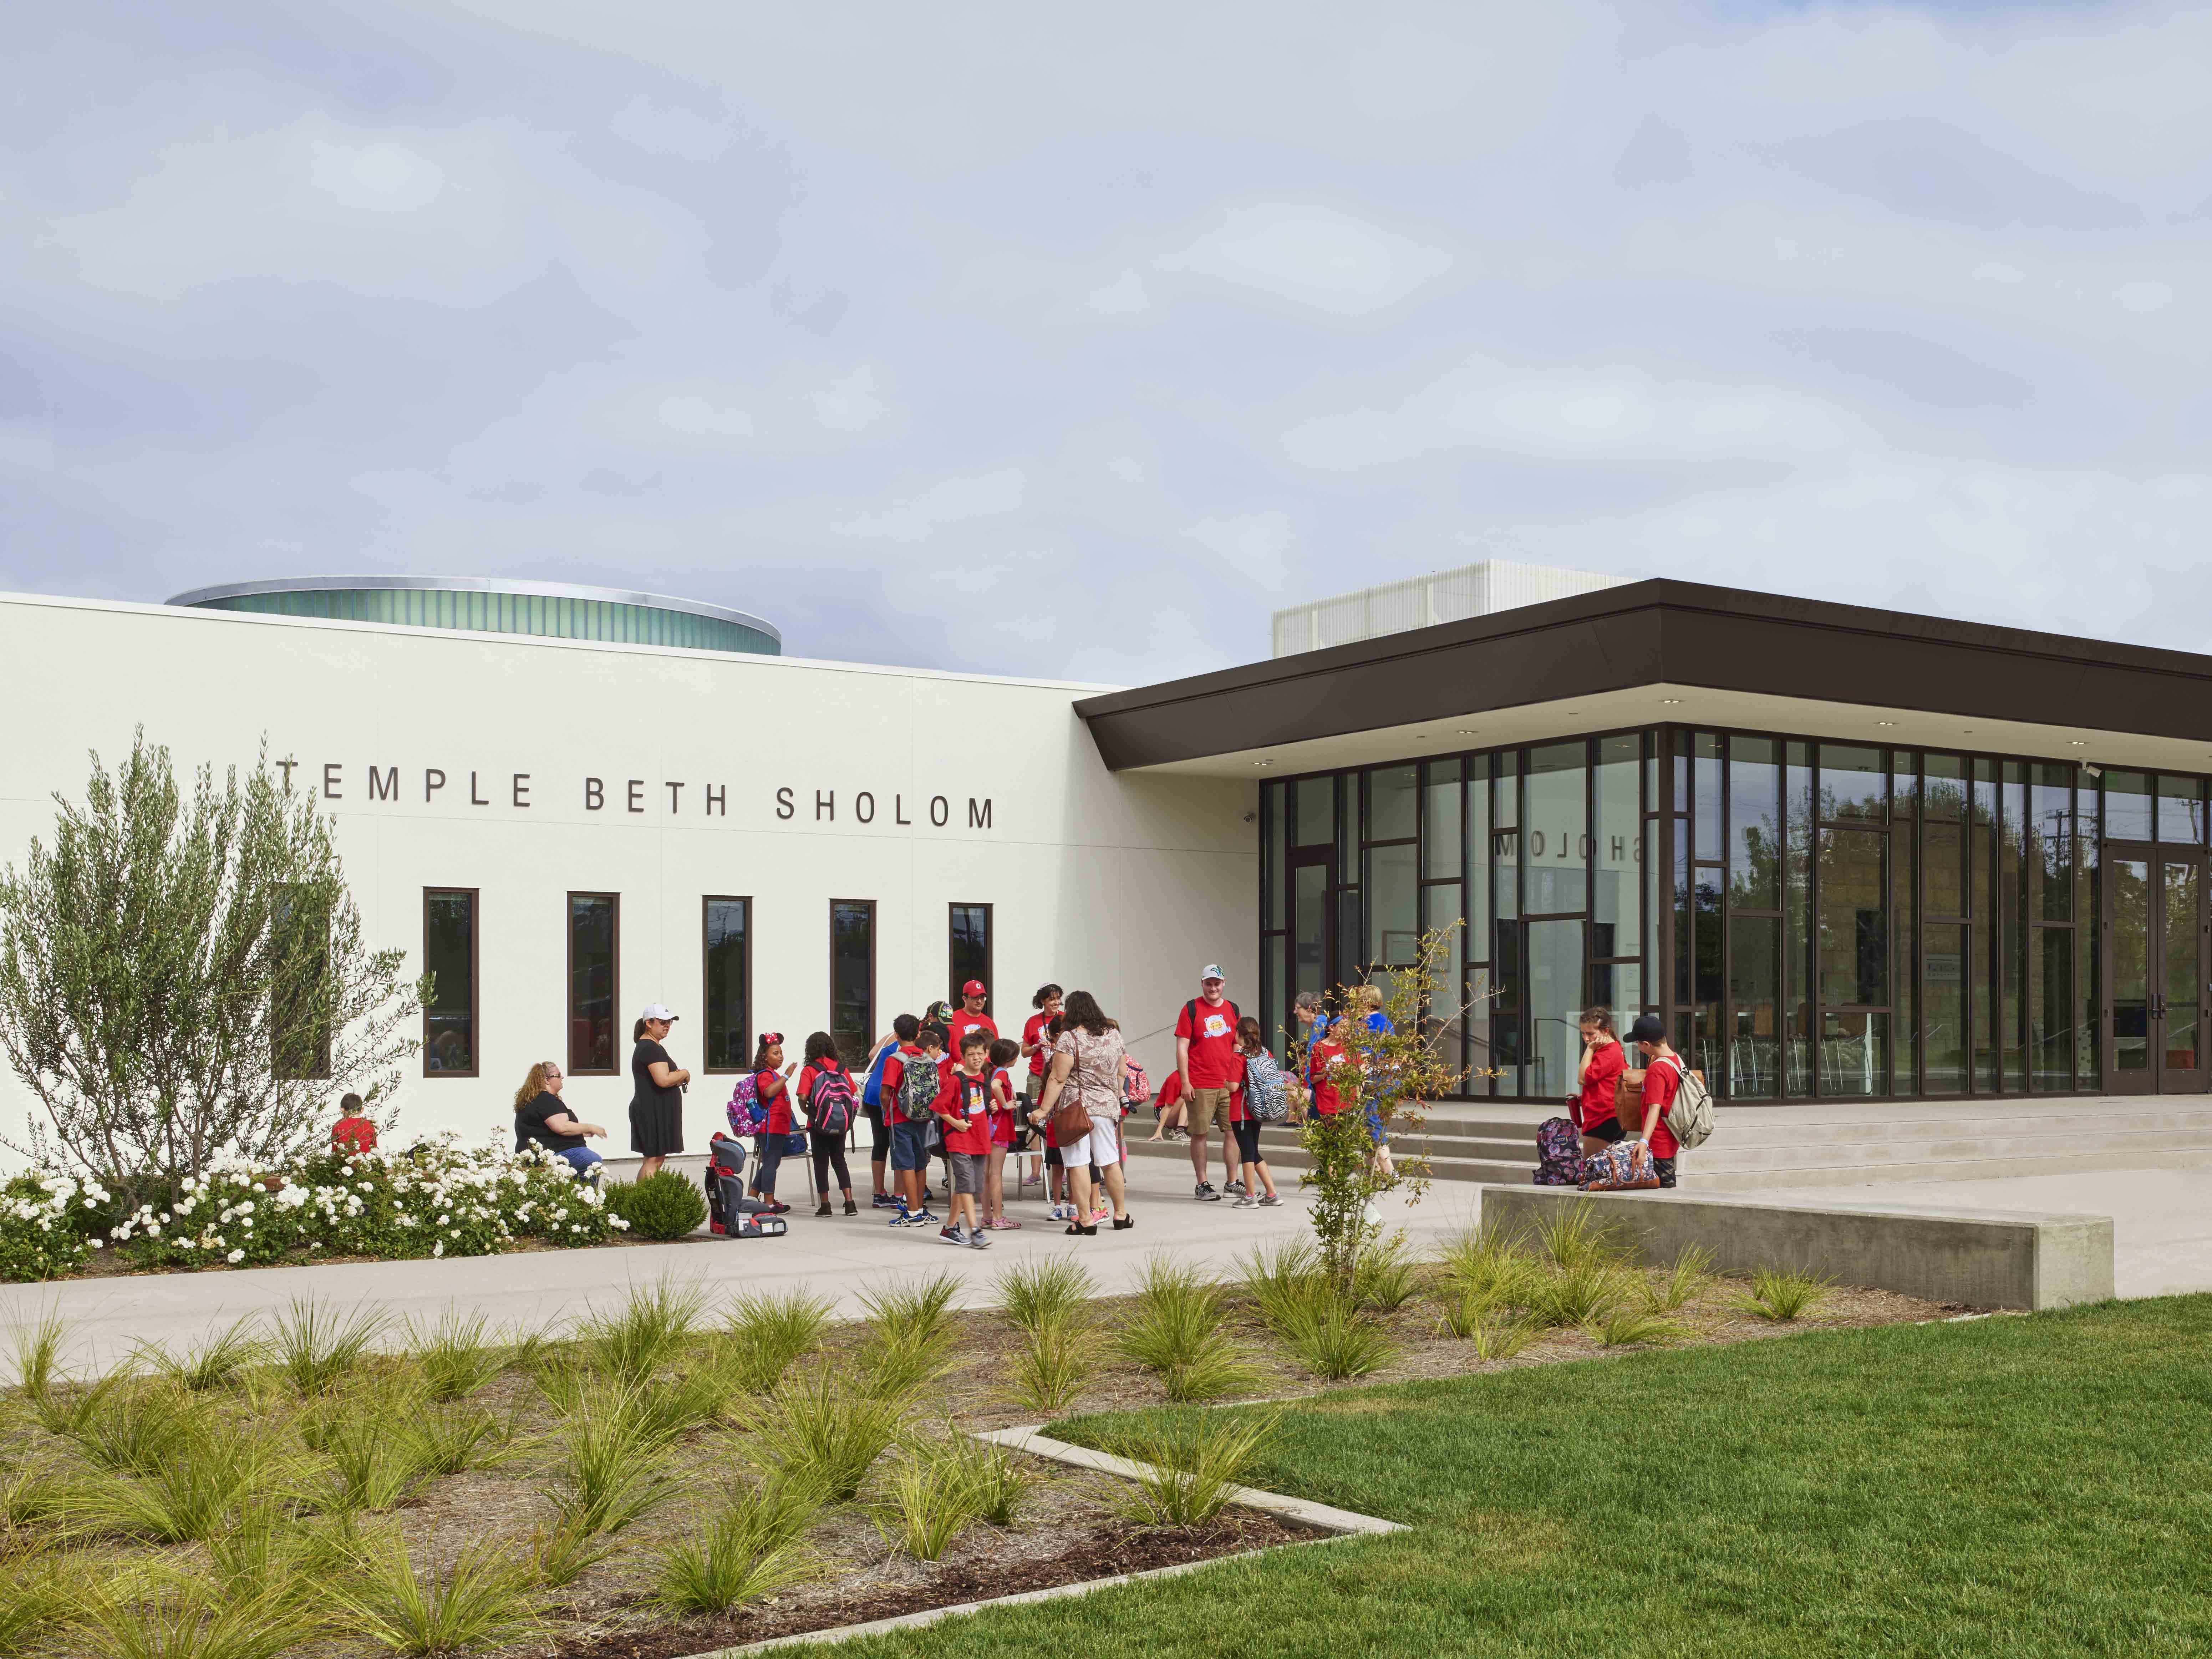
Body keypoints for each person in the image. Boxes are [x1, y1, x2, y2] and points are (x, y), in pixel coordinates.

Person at [1031, 989, 1131, 1235]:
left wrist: (1043, 1110)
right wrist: (1114, 1096)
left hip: (1077, 1109)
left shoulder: (1069, 1038)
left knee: (1078, 1163)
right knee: (1109, 1161)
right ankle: (1121, 1214)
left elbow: (1057, 1078)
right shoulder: (1114, 1035)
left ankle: (1085, 1220)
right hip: (1106, 1108)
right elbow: (1122, 1072)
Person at [1173, 966, 1244, 1201]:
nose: (1213, 988)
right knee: (1200, 1133)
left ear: (1224, 983)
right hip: (1201, 1082)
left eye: (1217, 983)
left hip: (1228, 1084)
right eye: (1209, 984)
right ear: (1202, 984)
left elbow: (1237, 1044)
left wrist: (1238, 1075)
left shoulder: (1233, 1009)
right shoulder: (1191, 1009)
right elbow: (1182, 1048)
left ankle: (1232, 1182)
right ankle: (1202, 1184)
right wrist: (1185, 1082)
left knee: (1233, 1132)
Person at [933, 1029, 996, 1248]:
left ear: (986, 1054)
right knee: (966, 1186)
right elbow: (939, 1107)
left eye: (980, 1053)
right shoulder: (955, 1081)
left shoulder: (984, 1080)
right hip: (959, 1141)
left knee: (969, 1187)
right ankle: (975, 1231)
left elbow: (980, 1108)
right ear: (963, 1056)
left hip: (980, 1140)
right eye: (971, 1054)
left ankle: (950, 1228)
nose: (976, 1058)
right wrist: (956, 1123)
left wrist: (991, 1106)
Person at [877, 1014, 939, 1227]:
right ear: (919, 1034)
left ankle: (912, 1213)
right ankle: (920, 1208)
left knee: (906, 1165)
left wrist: (887, 1111)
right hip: (924, 1118)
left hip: (901, 1119)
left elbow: (885, 1094)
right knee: (921, 1164)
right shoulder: (927, 1059)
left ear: (896, 1035)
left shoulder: (895, 1060)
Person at [793, 1031, 859, 1217]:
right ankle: (850, 1204)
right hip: (841, 1122)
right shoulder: (842, 1069)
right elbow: (853, 1094)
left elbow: (803, 1097)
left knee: (821, 1163)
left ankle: (826, 1206)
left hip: (818, 1124)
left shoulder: (810, 1070)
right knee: (839, 1160)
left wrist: (808, 1112)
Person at [512, 1061, 607, 1180]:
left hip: (543, 1154)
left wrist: (580, 1133)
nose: (562, 1077)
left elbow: (543, 1131)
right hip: (548, 1156)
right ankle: (584, 1193)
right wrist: (592, 1127)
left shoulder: (537, 1100)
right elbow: (562, 1127)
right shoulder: (545, 1100)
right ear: (547, 1080)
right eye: (558, 1075)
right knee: (592, 1161)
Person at [1227, 1018, 1284, 1208]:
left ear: (1239, 1035)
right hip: (1261, 1108)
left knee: (1247, 1153)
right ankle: (1272, 1194)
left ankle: (1250, 1196)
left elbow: (1233, 1086)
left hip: (1241, 1111)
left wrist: (1226, 1082)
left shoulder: (1239, 1057)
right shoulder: (1266, 1053)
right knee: (1253, 1151)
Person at [629, 1004, 690, 1179]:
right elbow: (663, 1080)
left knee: (656, 1159)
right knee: (653, 1160)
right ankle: (644, 1197)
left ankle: (645, 1195)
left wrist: (676, 1076)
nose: (667, 1026)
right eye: (662, 1022)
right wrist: (684, 1073)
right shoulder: (650, 1048)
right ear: (649, 1023)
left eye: (669, 1022)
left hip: (655, 1110)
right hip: (652, 1110)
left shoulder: (651, 1046)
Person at [1623, 1014, 1684, 1188]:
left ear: (1646, 1044)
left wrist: (1644, 1143)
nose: (1637, 1046)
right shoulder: (1675, 1059)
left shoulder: (1658, 1070)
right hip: (1670, 1136)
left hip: (1658, 1141)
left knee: (1665, 1191)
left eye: (1637, 1043)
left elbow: (1654, 1109)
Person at [745, 1033, 798, 1215]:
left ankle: (752, 1198)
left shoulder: (773, 1074)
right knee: (770, 1163)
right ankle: (769, 1204)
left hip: (776, 1127)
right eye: (775, 1053)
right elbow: (768, 1092)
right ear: (764, 1057)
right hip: (770, 1127)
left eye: (781, 1053)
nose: (781, 1056)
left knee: (772, 1162)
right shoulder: (765, 1075)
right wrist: (787, 1075)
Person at [1018, 985, 1062, 1194]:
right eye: (1052, 999)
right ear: (1043, 1001)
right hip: (1037, 1076)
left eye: (1058, 998)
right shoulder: (1033, 1022)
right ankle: (1036, 1172)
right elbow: (1024, 1052)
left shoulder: (1065, 1019)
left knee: (1059, 1122)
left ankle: (1060, 1169)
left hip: (1060, 1075)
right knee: (1035, 1120)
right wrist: (1037, 1047)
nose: (1056, 1003)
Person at [1572, 1007, 1629, 1158]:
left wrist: (1590, 1050)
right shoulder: (1613, 1049)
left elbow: (1582, 1079)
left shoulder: (1608, 1053)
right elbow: (1607, 1083)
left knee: (1592, 1167)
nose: (1586, 1038)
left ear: (1606, 1031)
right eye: (1583, 1033)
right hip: (1609, 1116)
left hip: (1603, 1118)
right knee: (1606, 1168)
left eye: (1591, 1034)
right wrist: (1585, 1097)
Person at [983, 1037, 1023, 1230]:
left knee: (986, 1174)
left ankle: (987, 1216)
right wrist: (1006, 1104)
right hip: (1000, 1126)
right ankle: (998, 1218)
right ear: (1009, 1058)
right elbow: (995, 1086)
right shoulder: (1002, 1073)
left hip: (989, 1126)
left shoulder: (992, 1071)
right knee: (996, 1174)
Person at [947, 981, 997, 1060]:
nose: (979, 1001)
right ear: (965, 999)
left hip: (986, 1068)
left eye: (982, 997)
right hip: (959, 1067)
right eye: (975, 997)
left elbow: (996, 1052)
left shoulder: (990, 1023)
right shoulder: (952, 1020)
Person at [331, 1092, 378, 1156]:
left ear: (342, 1109)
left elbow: (335, 1151)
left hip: (343, 1161)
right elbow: (374, 1150)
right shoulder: (370, 1126)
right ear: (362, 1110)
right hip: (365, 1161)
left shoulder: (338, 1126)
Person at [1146, 1067, 1185, 1142]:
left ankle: (1178, 1128)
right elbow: (1168, 1106)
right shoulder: (1175, 1079)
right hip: (1163, 1112)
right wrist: (1159, 1130)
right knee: (1186, 1097)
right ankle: (1179, 1132)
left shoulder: (1195, 1077)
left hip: (1178, 1111)